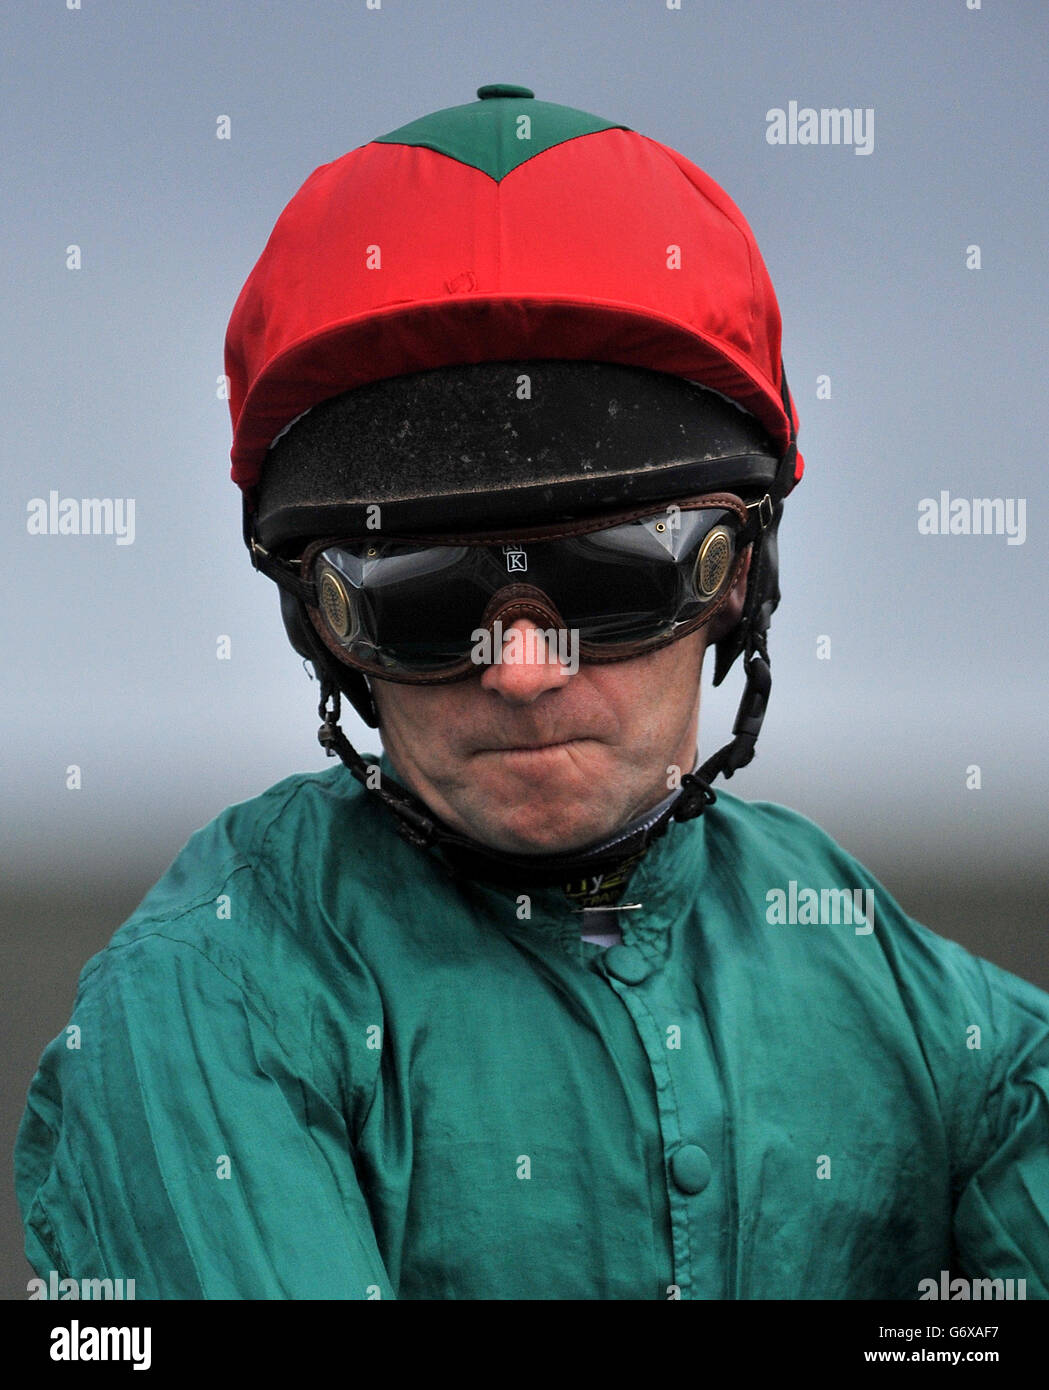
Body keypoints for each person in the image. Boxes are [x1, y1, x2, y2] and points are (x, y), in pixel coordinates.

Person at [15, 84, 1049, 1302]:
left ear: (738, 583)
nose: (519, 669)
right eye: (419, 596)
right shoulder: (204, 998)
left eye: (609, 573)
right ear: (324, 630)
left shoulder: (932, 1017)